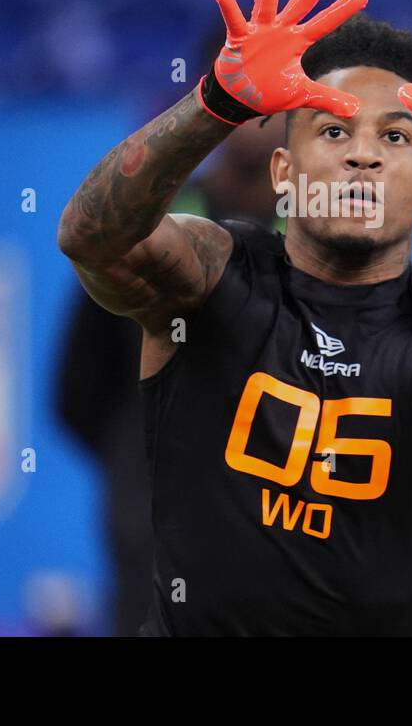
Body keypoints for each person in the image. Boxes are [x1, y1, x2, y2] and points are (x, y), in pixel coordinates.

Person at [57, 0, 412, 635]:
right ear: (284, 170)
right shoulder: (215, 273)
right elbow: (90, 239)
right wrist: (215, 103)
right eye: (334, 132)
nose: (362, 156)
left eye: (394, 137)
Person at [56, 110, 284, 636]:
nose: (259, 122)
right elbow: (79, 388)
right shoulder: (145, 222)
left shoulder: (317, 237)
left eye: (276, 108)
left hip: (281, 530)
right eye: (247, 102)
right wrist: (139, 465)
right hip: (155, 531)